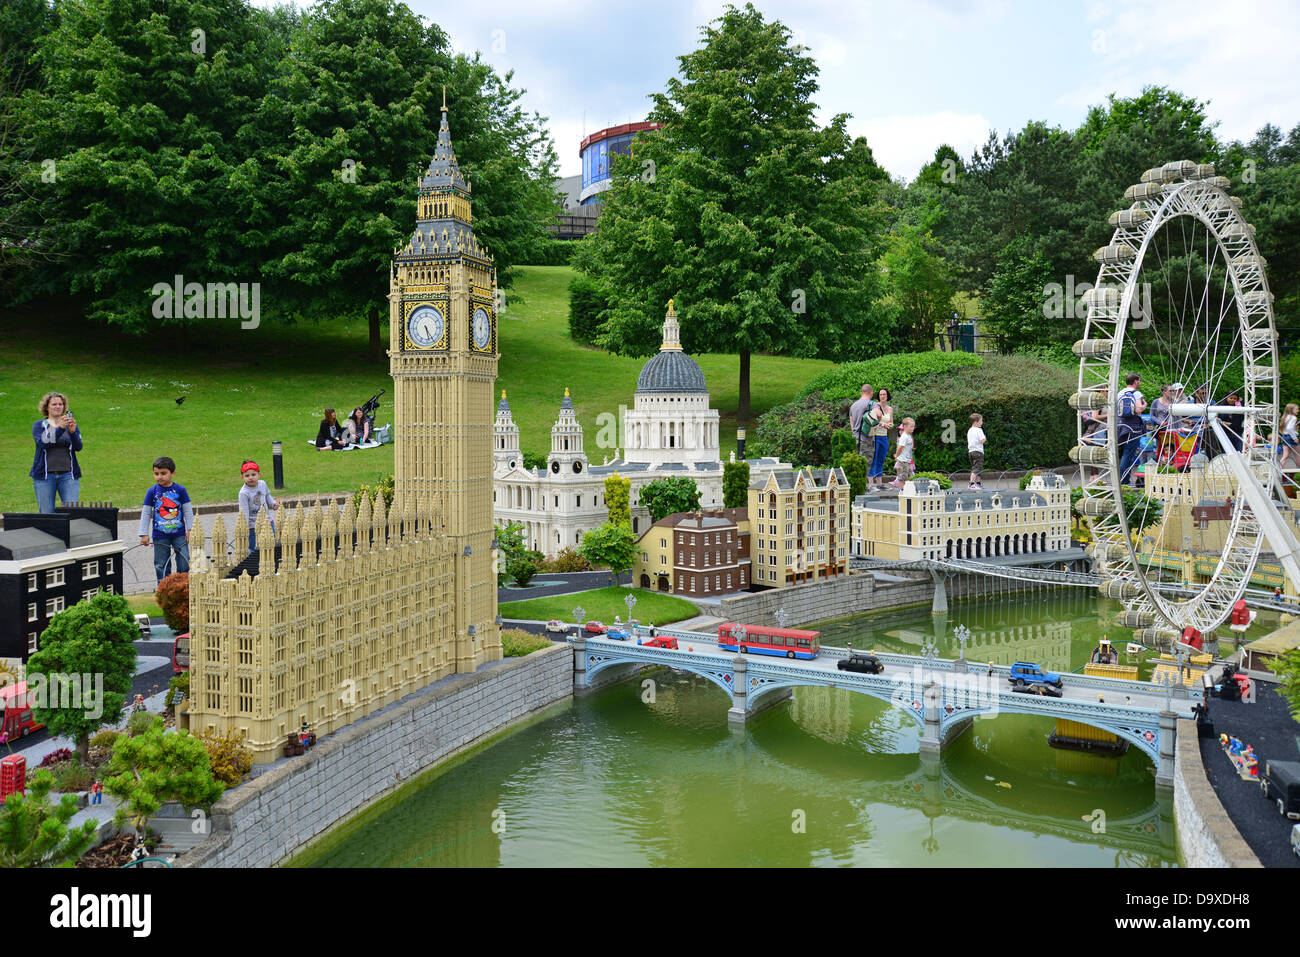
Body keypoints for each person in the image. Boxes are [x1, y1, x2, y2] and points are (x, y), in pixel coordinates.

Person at [138, 456, 194, 584]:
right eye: (156, 474)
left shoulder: (180, 490)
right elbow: (146, 513)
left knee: (184, 561)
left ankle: (183, 587)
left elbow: (187, 510)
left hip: (179, 534)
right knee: (161, 565)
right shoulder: (152, 491)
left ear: (172, 473)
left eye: (163, 473)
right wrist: (143, 533)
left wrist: (190, 529)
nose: (159, 477)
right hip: (160, 534)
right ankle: (164, 590)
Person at [30, 392, 83, 513]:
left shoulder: (69, 424)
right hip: (45, 476)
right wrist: (60, 429)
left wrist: (73, 432)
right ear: (47, 407)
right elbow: (44, 443)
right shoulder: (39, 425)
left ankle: (68, 533)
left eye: (60, 404)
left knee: (72, 512)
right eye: (54, 404)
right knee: (47, 513)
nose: (58, 407)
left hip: (68, 475)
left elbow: (78, 447)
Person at [238, 460, 280, 551]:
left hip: (268, 521)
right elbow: (243, 511)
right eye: (247, 476)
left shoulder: (262, 484)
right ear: (242, 477)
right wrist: (245, 525)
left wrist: (273, 504)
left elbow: (267, 495)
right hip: (253, 525)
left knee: (270, 543)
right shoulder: (243, 493)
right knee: (254, 547)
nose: (250, 478)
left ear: (259, 474)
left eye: (253, 474)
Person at [1116, 373, 1147, 485]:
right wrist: (1145, 405)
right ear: (1135, 381)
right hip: (1133, 427)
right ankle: (1124, 481)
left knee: (1126, 453)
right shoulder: (1136, 393)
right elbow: (1138, 410)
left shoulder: (1120, 393)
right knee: (1128, 454)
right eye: (1139, 381)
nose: (1140, 383)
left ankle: (1123, 480)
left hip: (1121, 426)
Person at [848, 383, 878, 475]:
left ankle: (856, 487)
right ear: (871, 393)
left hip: (855, 438)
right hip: (867, 440)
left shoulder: (853, 405)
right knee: (865, 465)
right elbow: (879, 414)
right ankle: (863, 488)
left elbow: (852, 424)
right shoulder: (872, 404)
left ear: (862, 392)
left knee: (855, 464)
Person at [867, 387, 894, 489]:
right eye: (880, 394)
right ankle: (870, 484)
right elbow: (872, 420)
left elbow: (891, 422)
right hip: (875, 436)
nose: (882, 396)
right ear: (878, 396)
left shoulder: (890, 409)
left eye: (884, 394)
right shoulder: (875, 407)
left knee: (881, 460)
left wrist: (890, 425)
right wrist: (883, 424)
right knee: (873, 459)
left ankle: (879, 483)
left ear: (887, 396)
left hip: (884, 437)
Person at [890, 417, 916, 488]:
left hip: (907, 460)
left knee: (909, 477)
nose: (912, 428)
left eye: (913, 426)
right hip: (902, 461)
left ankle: (907, 491)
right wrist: (897, 455)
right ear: (905, 426)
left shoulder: (909, 436)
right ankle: (902, 491)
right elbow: (900, 448)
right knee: (902, 478)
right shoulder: (904, 437)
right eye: (911, 427)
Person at [967, 413, 986, 490]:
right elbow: (982, 440)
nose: (982, 422)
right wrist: (985, 438)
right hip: (978, 452)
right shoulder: (979, 430)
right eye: (981, 421)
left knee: (976, 468)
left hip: (971, 452)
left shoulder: (970, 430)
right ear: (975, 422)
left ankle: (978, 483)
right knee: (977, 468)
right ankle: (971, 483)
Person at [1278, 403, 1298, 470]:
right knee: (1297, 454)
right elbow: (1289, 428)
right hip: (1290, 437)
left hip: (1284, 437)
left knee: (1285, 455)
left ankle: (1280, 468)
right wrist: (1294, 437)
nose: (1298, 410)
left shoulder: (1285, 417)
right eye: (1296, 409)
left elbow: (1286, 429)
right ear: (1291, 410)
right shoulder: (1293, 418)